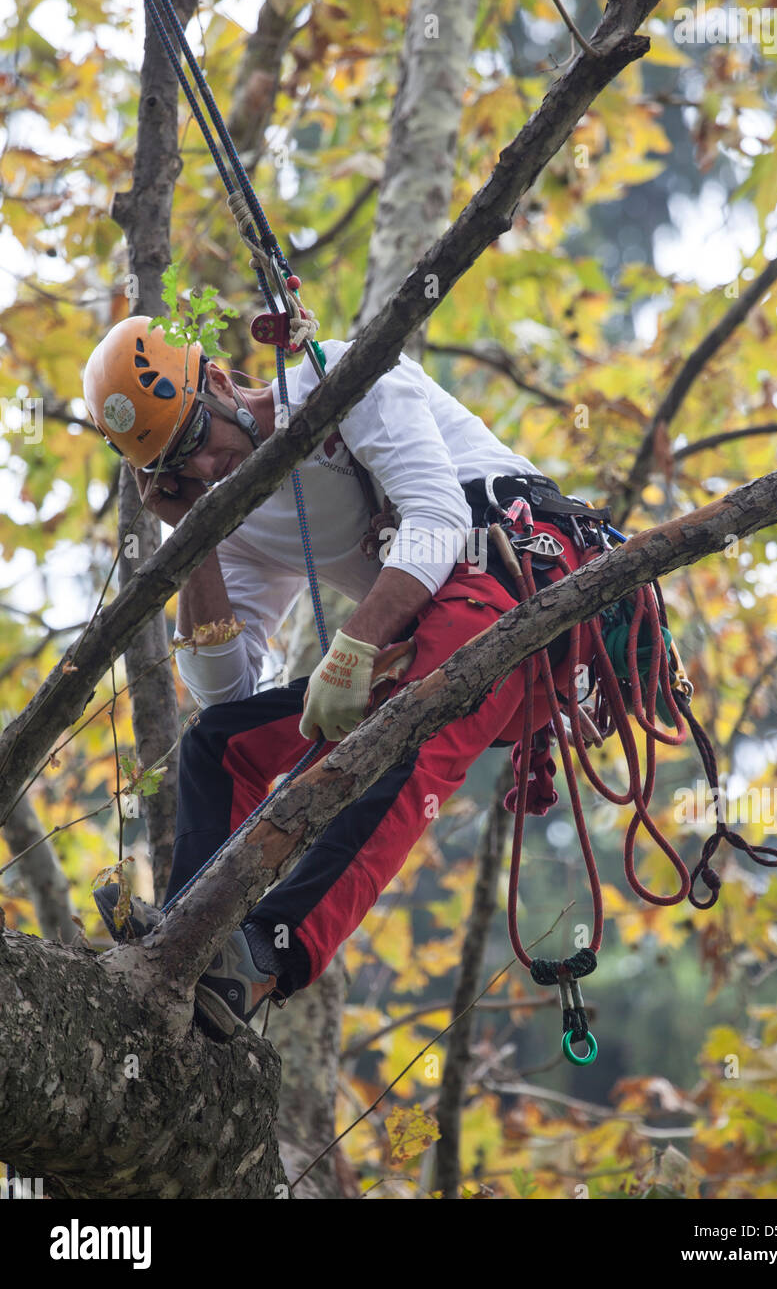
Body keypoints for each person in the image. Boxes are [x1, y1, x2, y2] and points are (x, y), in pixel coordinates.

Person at [83, 315, 593, 1038]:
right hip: (435, 643)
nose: (198, 469)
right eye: (170, 470)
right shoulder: (231, 509)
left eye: (195, 439)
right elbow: (225, 688)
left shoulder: (340, 374)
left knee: (399, 728)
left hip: (527, 583)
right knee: (219, 744)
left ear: (221, 383)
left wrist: (353, 647)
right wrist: (192, 533)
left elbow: (439, 514)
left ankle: (265, 955)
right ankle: (192, 947)